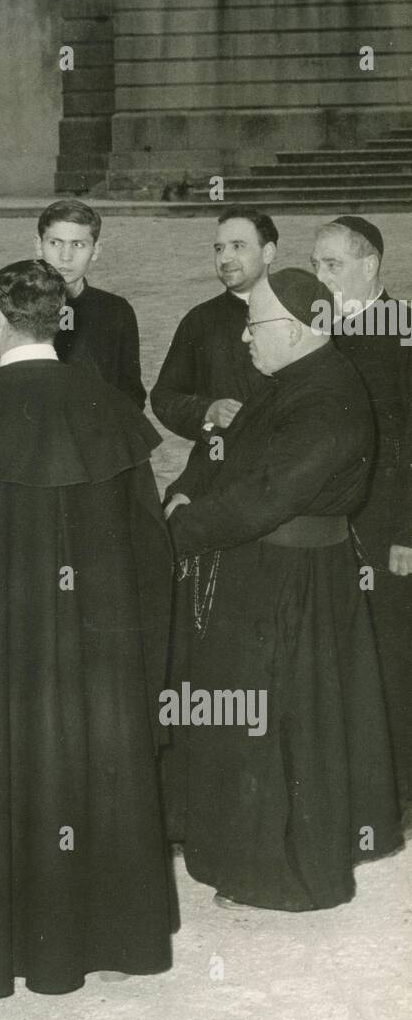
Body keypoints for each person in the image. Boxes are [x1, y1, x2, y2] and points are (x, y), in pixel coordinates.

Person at [0, 260, 176, 998]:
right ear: (59, 322)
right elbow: (151, 547)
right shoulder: (110, 409)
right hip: (96, 659)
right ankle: (100, 940)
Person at [163, 267, 403, 911]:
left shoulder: (326, 397)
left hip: (288, 582)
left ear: (299, 332)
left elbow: (268, 495)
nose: (244, 337)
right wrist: (189, 488)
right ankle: (246, 860)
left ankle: (287, 876)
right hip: (268, 572)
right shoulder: (294, 377)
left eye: (256, 324)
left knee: (277, 727)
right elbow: (231, 454)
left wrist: (181, 527)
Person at [310, 216, 412, 808]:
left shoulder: (402, 330)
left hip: (387, 524)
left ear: (369, 266)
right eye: (317, 264)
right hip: (331, 520)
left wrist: (407, 530)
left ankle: (397, 794)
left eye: (333, 265)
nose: (321, 277)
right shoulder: (320, 328)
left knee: (391, 653)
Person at [151, 208, 277, 496]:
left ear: (268, 252)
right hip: (217, 468)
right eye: (219, 248)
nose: (225, 258)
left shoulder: (298, 312)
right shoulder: (200, 320)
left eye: (238, 246)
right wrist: (207, 411)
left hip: (282, 470)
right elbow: (164, 396)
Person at [36, 199, 145, 408]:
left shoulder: (116, 310)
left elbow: (131, 392)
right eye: (55, 243)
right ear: (38, 246)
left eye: (78, 245)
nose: (65, 257)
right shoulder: (14, 307)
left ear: (95, 251)